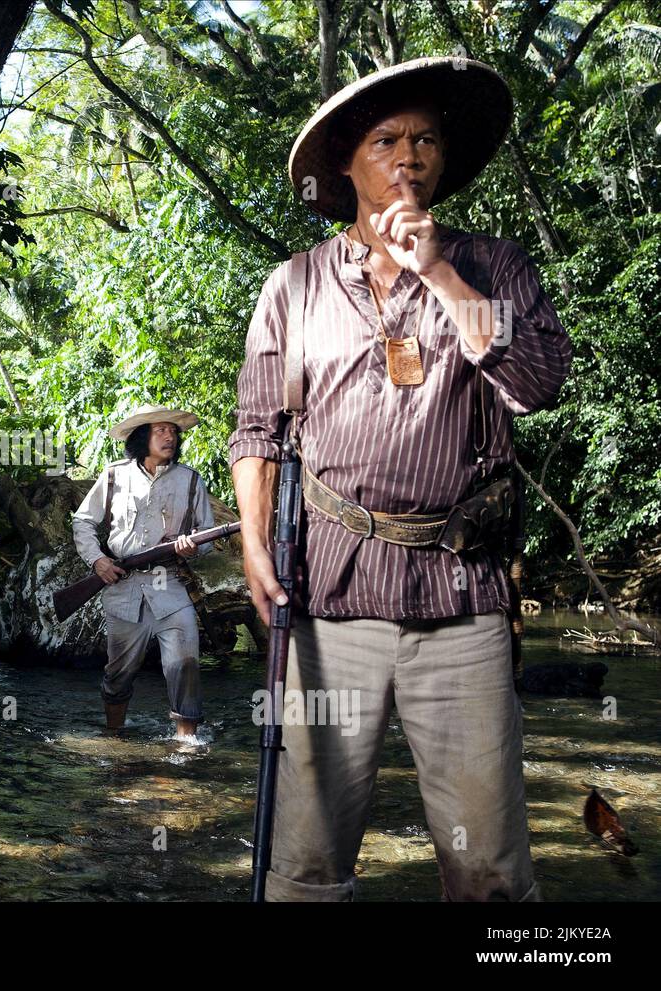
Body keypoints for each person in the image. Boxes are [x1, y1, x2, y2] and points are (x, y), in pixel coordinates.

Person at [229, 57, 572, 901]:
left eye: (423, 140)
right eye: (385, 141)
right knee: (305, 863)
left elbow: (537, 384)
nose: (407, 158)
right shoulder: (294, 285)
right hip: (330, 604)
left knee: (489, 870)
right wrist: (251, 541)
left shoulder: (494, 267)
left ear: (443, 160)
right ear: (348, 161)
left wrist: (441, 278)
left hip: (463, 603)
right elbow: (257, 431)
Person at [72, 404, 215, 739]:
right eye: (160, 430)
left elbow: (207, 537)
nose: (170, 437)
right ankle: (114, 736)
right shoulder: (113, 475)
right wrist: (98, 561)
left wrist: (193, 547)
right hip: (124, 590)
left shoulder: (191, 481)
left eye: (173, 431)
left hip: (171, 588)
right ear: (142, 437)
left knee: (186, 666)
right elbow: (83, 522)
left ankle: (187, 744)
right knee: (118, 674)